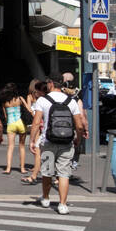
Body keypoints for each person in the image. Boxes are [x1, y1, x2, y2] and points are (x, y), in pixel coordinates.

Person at [30, 76, 87, 214]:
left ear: (50, 83)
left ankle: (45, 198)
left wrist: (32, 140)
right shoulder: (71, 101)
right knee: (64, 173)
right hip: (66, 142)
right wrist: (78, 139)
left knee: (47, 172)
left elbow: (37, 122)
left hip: (48, 142)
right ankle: (62, 204)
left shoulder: (43, 100)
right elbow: (79, 125)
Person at [0, 82, 30, 175]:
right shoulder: (20, 99)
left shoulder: (5, 102)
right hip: (20, 123)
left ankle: (8, 168)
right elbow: (28, 109)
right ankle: (23, 168)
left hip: (11, 124)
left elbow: (5, 115)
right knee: (22, 146)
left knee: (10, 146)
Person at [20, 80, 47, 184]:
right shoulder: (44, 99)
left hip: (36, 120)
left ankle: (37, 168)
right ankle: (37, 169)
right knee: (40, 147)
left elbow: (29, 108)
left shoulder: (31, 97)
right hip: (42, 122)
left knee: (37, 146)